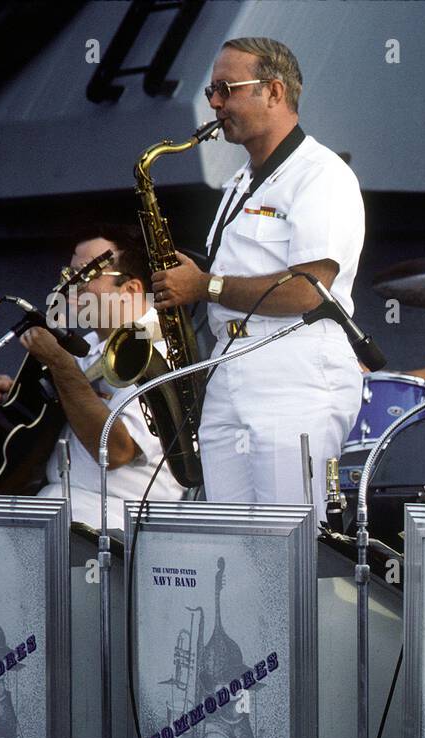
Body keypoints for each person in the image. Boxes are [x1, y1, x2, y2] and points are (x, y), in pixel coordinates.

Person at [151, 36, 363, 523]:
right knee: (233, 547)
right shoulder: (240, 183)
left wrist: (205, 286)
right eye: (211, 93)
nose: (216, 103)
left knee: (289, 545)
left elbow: (310, 289)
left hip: (295, 379)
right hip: (230, 373)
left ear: (274, 91)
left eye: (226, 88)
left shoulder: (322, 175)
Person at [0, 227, 184, 528]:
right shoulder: (86, 350)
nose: (70, 286)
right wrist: (7, 406)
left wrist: (61, 366)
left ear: (130, 290)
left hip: (118, 521)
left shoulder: (160, 353)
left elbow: (117, 451)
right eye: (68, 274)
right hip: (61, 507)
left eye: (85, 275)